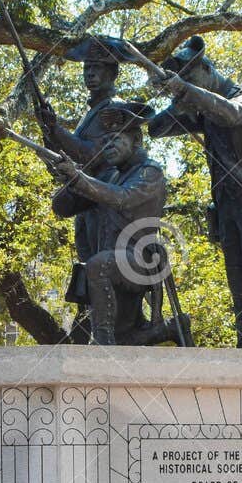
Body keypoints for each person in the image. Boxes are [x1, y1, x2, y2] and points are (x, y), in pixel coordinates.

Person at [145, 36, 242, 348]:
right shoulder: (205, 111)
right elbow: (156, 129)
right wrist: (175, 98)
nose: (188, 82)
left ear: (206, 69)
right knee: (236, 278)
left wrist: (186, 90)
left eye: (190, 75)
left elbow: (231, 113)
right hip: (226, 204)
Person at [48, 102, 185, 346]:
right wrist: (71, 178)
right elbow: (62, 208)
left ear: (136, 140)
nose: (108, 146)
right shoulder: (111, 176)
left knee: (97, 265)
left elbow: (122, 198)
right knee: (126, 337)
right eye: (105, 141)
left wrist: (79, 177)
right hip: (116, 262)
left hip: (139, 261)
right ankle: (168, 329)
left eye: (116, 139)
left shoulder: (150, 172)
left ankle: (103, 344)